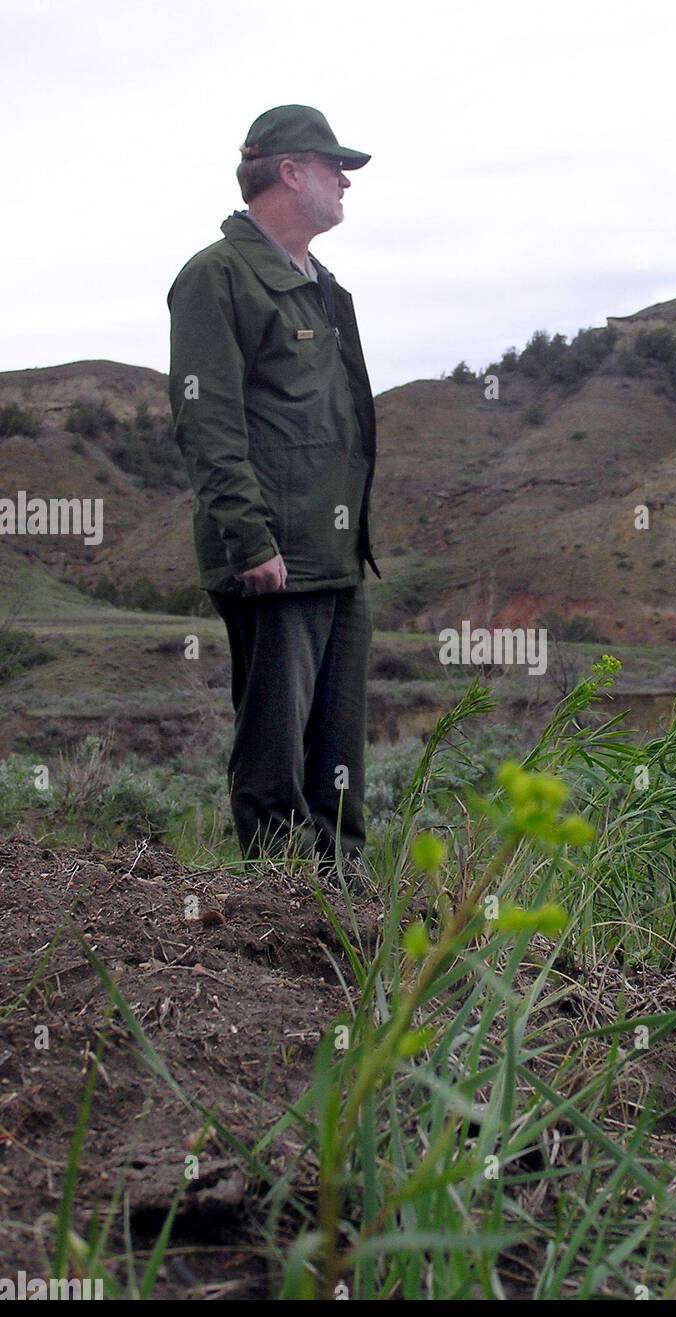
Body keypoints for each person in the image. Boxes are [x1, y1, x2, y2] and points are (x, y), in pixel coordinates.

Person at [167, 104, 380, 865]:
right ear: (291, 172)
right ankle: (282, 923)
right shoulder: (216, 278)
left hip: (335, 552)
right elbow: (207, 421)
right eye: (335, 169)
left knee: (338, 759)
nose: (346, 184)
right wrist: (250, 538)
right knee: (274, 761)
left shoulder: (322, 285)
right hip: (273, 557)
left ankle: (348, 922)